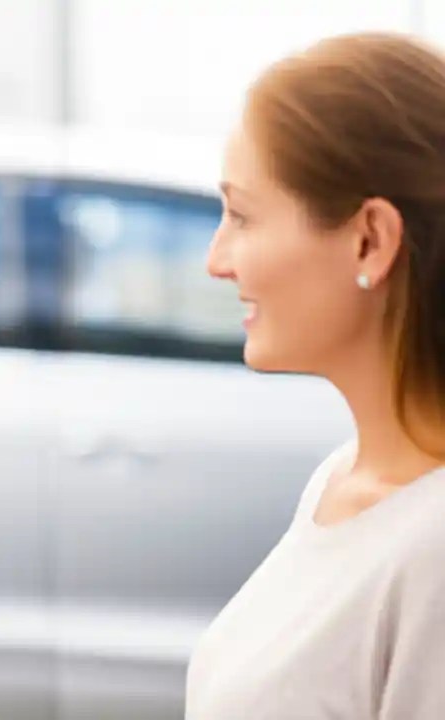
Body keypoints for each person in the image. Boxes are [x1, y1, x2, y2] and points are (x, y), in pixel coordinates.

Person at [188, 31, 445, 719]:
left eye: (241, 215)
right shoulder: (339, 480)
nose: (217, 259)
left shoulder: (434, 554)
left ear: (372, 239)